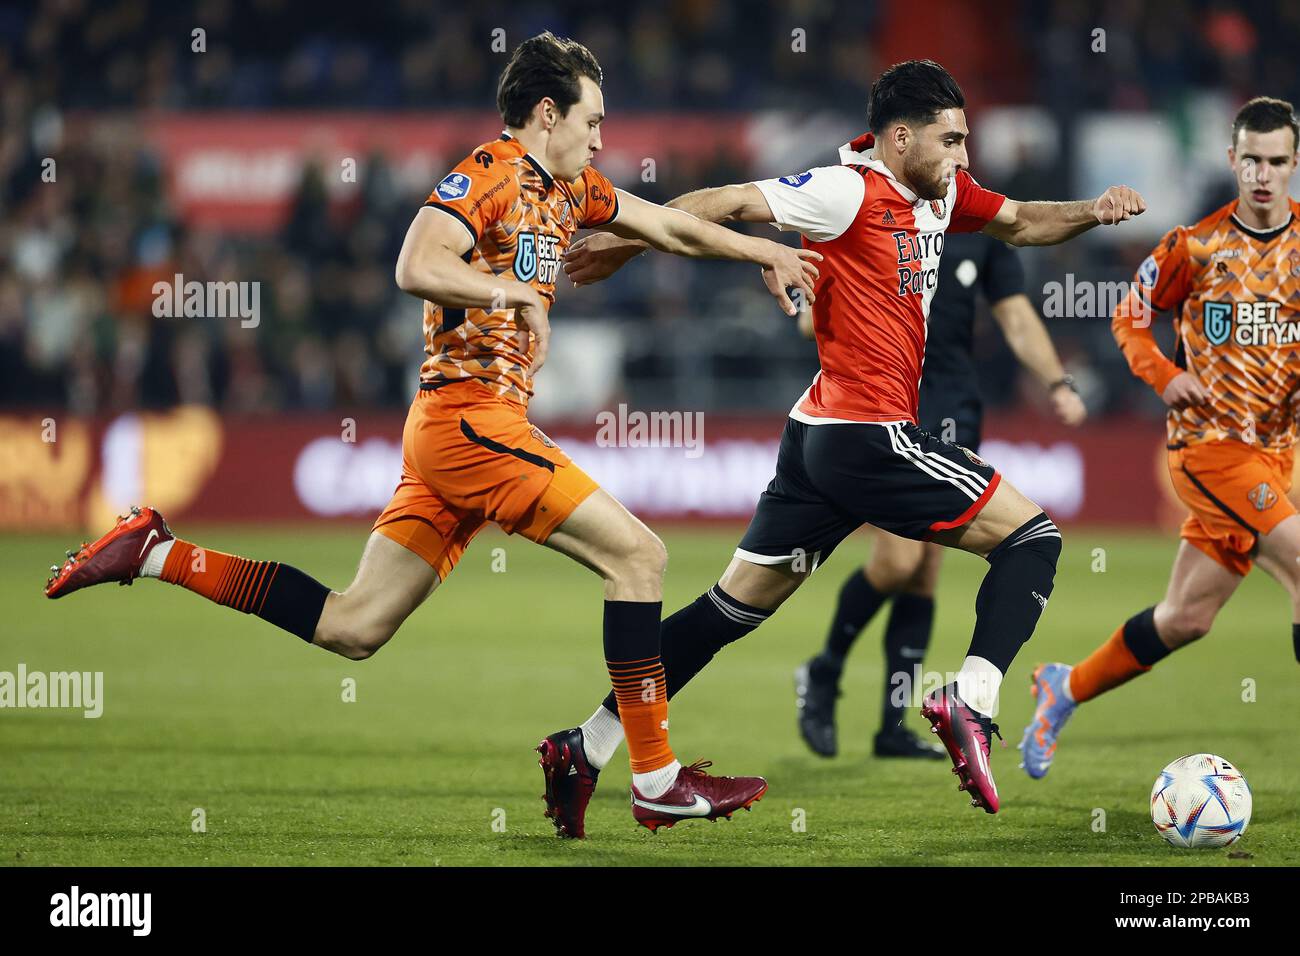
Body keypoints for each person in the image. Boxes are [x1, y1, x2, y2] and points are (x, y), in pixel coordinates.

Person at [42, 32, 821, 839]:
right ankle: (654, 777)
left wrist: (763, 249)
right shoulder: (487, 172)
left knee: (354, 626)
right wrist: (509, 291)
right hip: (468, 420)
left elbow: (670, 227)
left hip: (454, 435)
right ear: (546, 113)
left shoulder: (571, 189)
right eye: (591, 119)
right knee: (641, 557)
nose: (600, 138)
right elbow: (415, 262)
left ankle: (157, 553)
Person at [544, 59, 1144, 835]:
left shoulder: (944, 195)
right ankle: (971, 699)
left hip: (818, 441)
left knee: (726, 613)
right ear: (900, 138)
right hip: (868, 435)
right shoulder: (844, 190)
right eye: (950, 139)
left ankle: (585, 747)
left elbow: (1025, 221)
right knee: (1034, 537)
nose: (963, 156)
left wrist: (1094, 210)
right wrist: (625, 246)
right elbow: (726, 200)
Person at [1020, 96, 1300, 778]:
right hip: (1210, 450)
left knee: (1185, 619)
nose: (1264, 175)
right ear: (1233, 161)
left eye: (1279, 162)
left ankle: (1067, 686)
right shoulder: (1195, 246)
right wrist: (1164, 375)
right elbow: (1129, 317)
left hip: (1279, 455)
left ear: (1294, 165)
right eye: (1252, 161)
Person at [794, 232, 1086, 761]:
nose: (958, 158)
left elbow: (1016, 316)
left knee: (924, 568)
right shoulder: (883, 212)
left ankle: (890, 727)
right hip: (885, 396)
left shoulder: (982, 230)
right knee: (898, 559)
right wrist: (811, 300)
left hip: (953, 402)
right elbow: (815, 299)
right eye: (951, 143)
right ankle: (824, 669)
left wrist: (1057, 383)